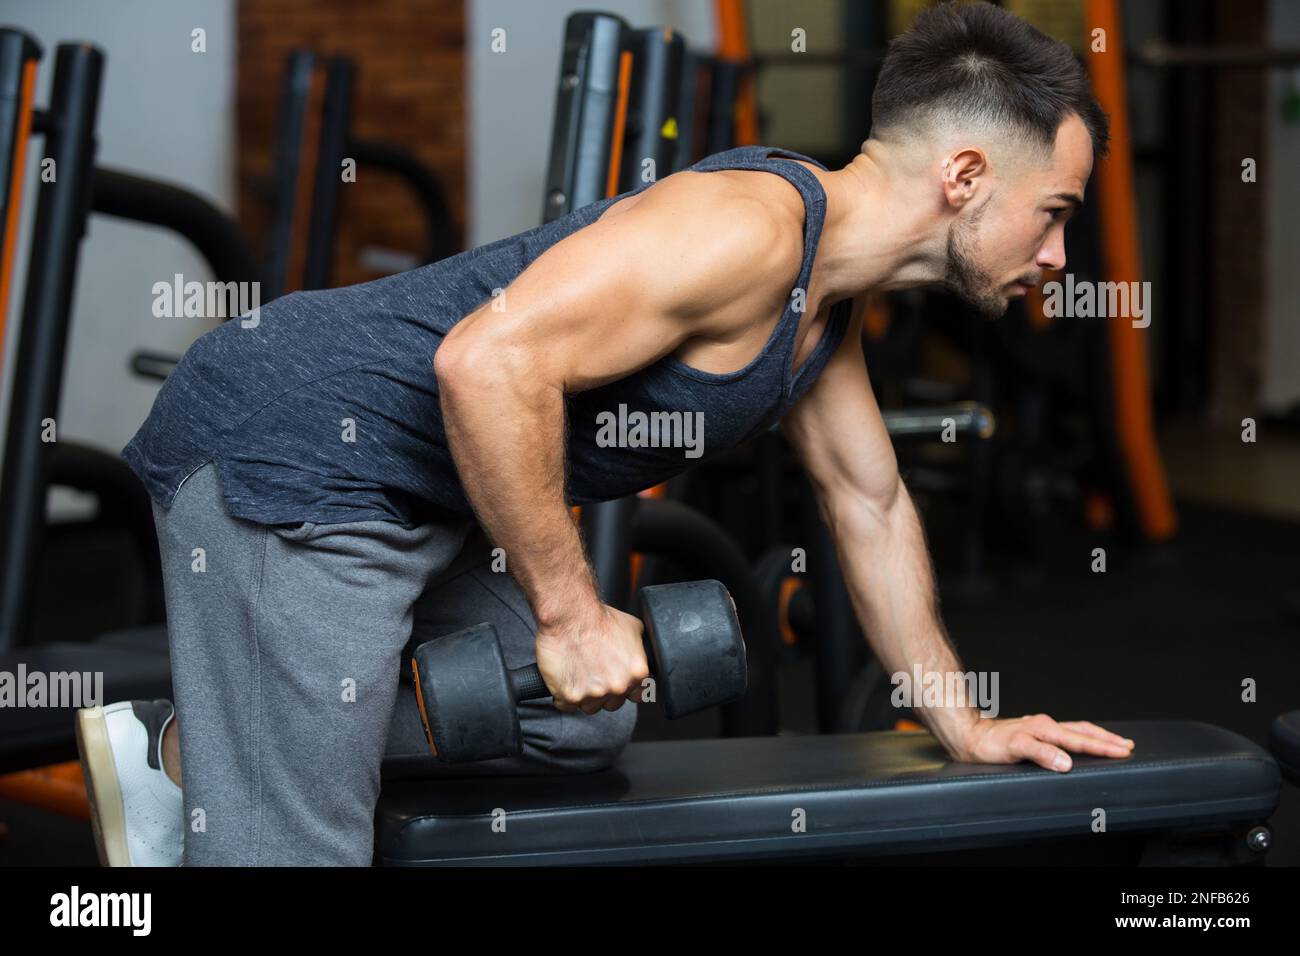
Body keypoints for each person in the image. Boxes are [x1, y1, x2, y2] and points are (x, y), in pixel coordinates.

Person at [79, 2, 1135, 866]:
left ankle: (187, 751)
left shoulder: (826, 308)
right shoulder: (747, 229)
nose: (1057, 250)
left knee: (574, 718)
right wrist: (572, 612)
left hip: (419, 503)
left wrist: (963, 723)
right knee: (298, 850)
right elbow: (485, 363)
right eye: (1051, 211)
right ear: (962, 178)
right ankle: (252, 766)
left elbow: (870, 500)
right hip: (297, 453)